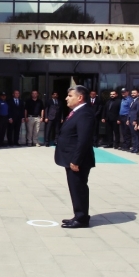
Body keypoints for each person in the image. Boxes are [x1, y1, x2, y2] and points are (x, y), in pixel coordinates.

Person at [54, 85, 96, 229]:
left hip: (77, 160)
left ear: (80, 98)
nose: (66, 98)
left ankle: (82, 219)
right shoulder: (76, 112)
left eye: (70, 96)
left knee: (78, 188)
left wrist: (76, 160)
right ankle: (79, 215)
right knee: (75, 188)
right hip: (71, 158)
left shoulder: (85, 113)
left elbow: (83, 139)